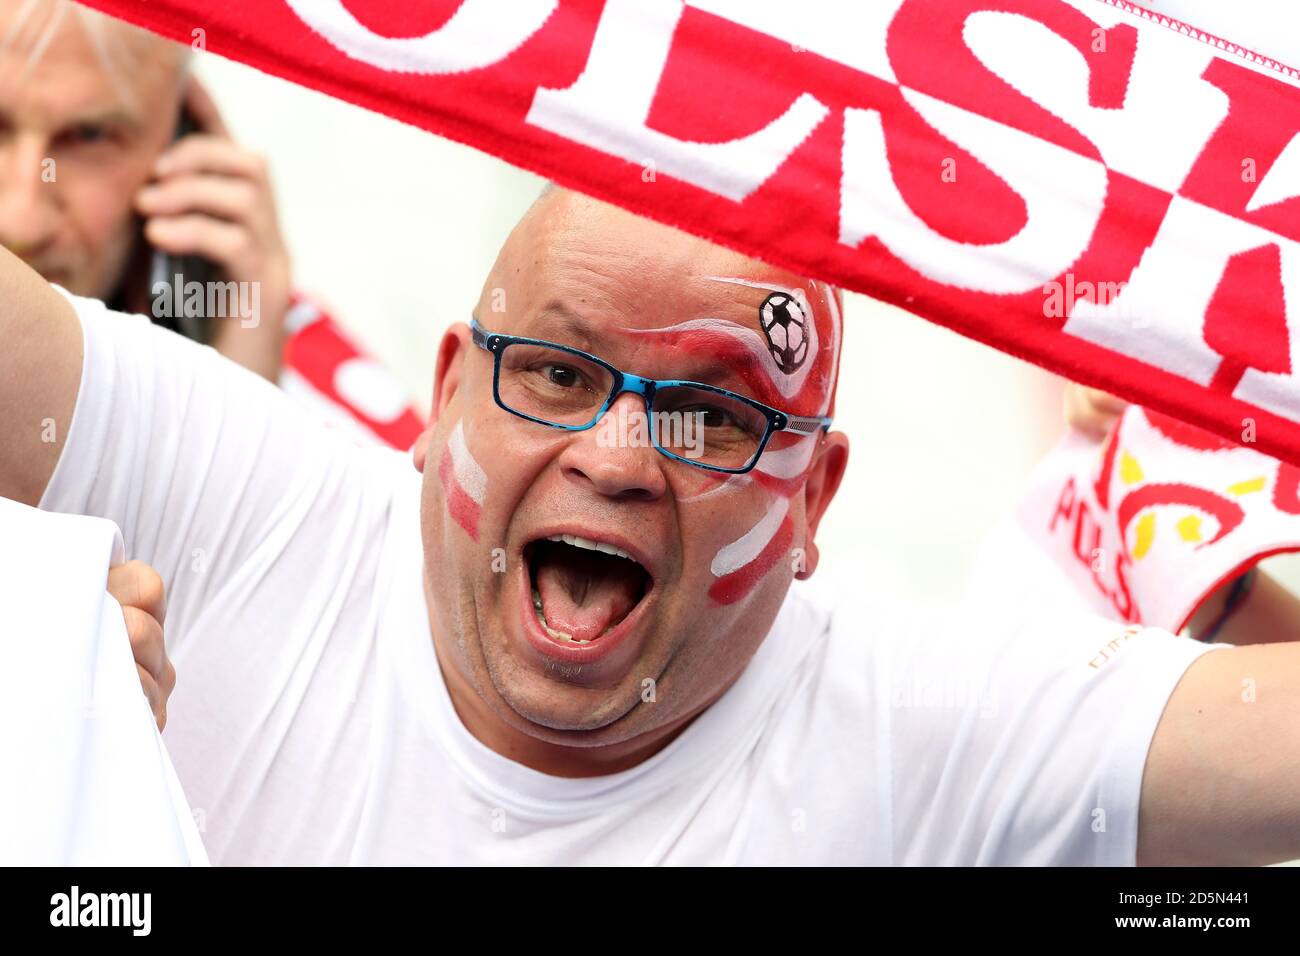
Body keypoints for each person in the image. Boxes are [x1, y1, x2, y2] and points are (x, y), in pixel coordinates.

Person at [3, 183, 1299, 866]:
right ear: (447, 392)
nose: (618, 458)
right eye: (557, 376)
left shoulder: (926, 732)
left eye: (713, 417)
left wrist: (1264, 375)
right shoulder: (242, 503)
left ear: (812, 503)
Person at [0, 0, 422, 448]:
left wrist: (237, 413)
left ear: (182, 134)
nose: (22, 222)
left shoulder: (339, 431)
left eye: (90, 137)